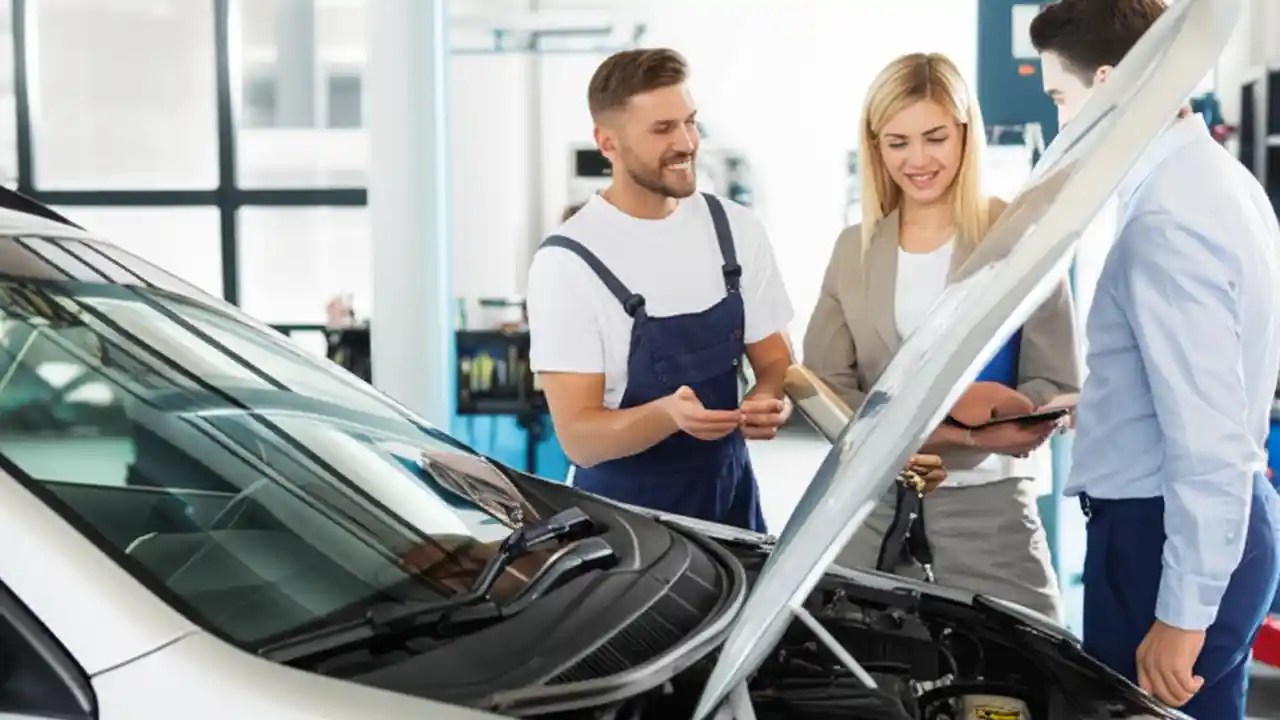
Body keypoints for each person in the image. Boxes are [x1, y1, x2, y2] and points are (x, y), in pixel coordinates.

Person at [1029, 0, 1280, 715]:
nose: (1060, 123)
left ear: (1109, 83)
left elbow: (1209, 441)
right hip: (1206, 522)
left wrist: (1183, 615)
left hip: (1167, 535)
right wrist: (1105, 407)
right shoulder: (1215, 179)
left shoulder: (1166, 220)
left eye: (1060, 98)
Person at [803, 51, 1080, 620]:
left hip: (988, 509)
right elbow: (826, 392)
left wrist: (1009, 413)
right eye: (897, 142)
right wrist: (960, 430)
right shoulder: (853, 250)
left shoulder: (1020, 236)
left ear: (965, 135)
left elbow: (1054, 379)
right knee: (860, 665)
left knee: (1027, 661)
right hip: (870, 509)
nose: (918, 160)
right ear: (876, 146)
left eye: (935, 138)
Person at [525, 48, 795, 532]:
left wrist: (770, 397)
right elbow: (580, 440)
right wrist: (667, 416)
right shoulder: (567, 262)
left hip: (733, 509)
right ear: (607, 142)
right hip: (627, 529)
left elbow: (776, 359)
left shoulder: (735, 230)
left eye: (690, 122)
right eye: (663, 129)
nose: (686, 143)